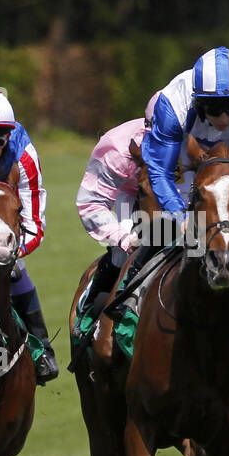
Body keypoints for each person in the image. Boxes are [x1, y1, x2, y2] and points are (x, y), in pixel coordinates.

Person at [118, 47, 229, 318]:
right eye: (214, 108)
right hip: (180, 163)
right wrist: (180, 216)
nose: (224, 118)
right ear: (198, 102)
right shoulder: (173, 103)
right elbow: (160, 174)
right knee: (158, 232)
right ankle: (126, 297)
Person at [0, 88, 57, 384]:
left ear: (9, 135)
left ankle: (40, 346)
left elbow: (34, 226)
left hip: (4, 232)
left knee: (15, 270)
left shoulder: (24, 157)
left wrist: (10, 253)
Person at [74, 91, 160, 309]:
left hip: (182, 196)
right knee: (125, 252)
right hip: (132, 194)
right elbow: (91, 202)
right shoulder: (117, 147)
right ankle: (93, 314)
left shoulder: (200, 140)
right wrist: (123, 238)